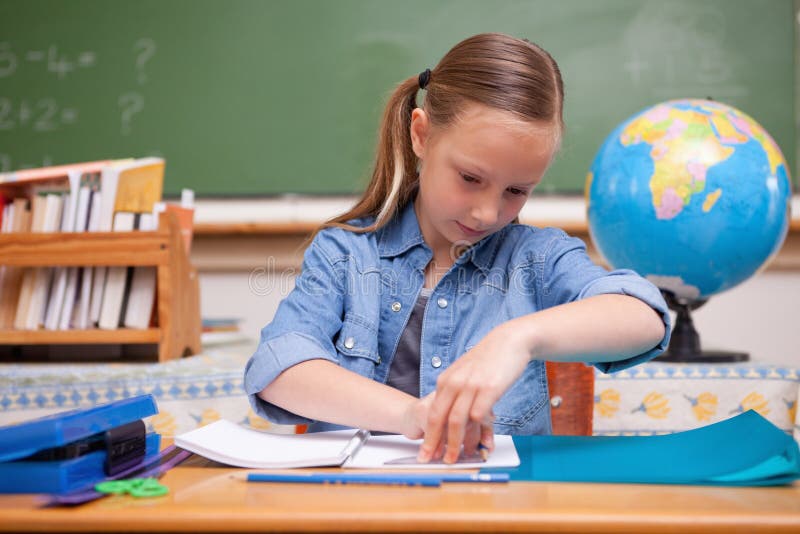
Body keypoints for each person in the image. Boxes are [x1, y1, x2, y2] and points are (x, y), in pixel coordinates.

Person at [244, 33, 670, 464]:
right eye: (470, 178)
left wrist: (517, 339)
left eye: (516, 190)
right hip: (357, 507)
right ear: (421, 136)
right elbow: (278, 369)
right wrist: (412, 414)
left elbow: (644, 317)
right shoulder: (345, 254)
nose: (487, 212)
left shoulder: (538, 258)